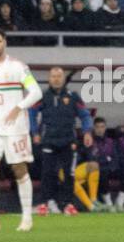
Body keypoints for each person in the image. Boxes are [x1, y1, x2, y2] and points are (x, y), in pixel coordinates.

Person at [0, 28, 42, 231]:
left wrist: (19, 107)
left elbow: (36, 92)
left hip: (15, 128)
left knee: (19, 170)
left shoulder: (18, 67)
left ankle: (27, 218)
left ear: (4, 42)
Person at [33, 65, 92, 215]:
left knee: (69, 174)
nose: (56, 79)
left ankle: (68, 205)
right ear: (49, 79)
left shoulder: (73, 96)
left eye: (59, 76)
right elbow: (31, 113)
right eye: (53, 76)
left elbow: (85, 115)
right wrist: (34, 132)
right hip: (49, 141)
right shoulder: (42, 96)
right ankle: (44, 204)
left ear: (64, 78)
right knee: (47, 173)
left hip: (68, 141)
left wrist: (87, 132)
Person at [87, 117, 124, 211]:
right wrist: (106, 159)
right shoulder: (90, 141)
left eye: (102, 127)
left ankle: (119, 203)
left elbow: (115, 158)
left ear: (105, 128)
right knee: (102, 173)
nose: (100, 129)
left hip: (110, 168)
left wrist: (110, 165)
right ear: (94, 128)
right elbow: (92, 159)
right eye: (98, 127)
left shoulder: (111, 141)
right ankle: (109, 204)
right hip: (98, 170)